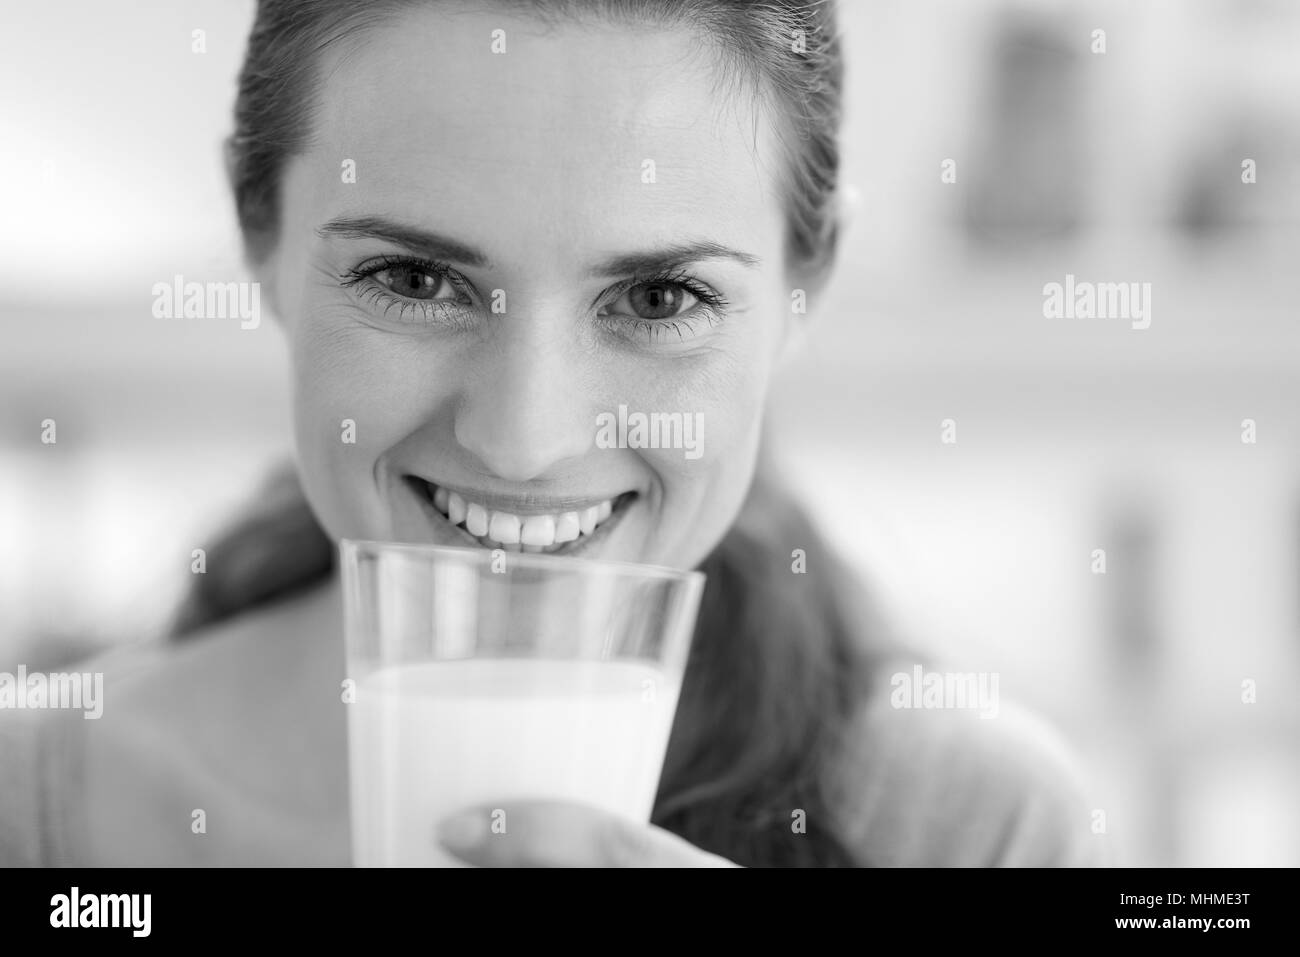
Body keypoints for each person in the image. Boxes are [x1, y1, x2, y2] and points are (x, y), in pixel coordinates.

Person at [0, 0, 1101, 867]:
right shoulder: (31, 802)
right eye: (413, 278)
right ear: (261, 246)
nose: (523, 440)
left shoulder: (985, 834)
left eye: (661, 299)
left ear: (802, 292)